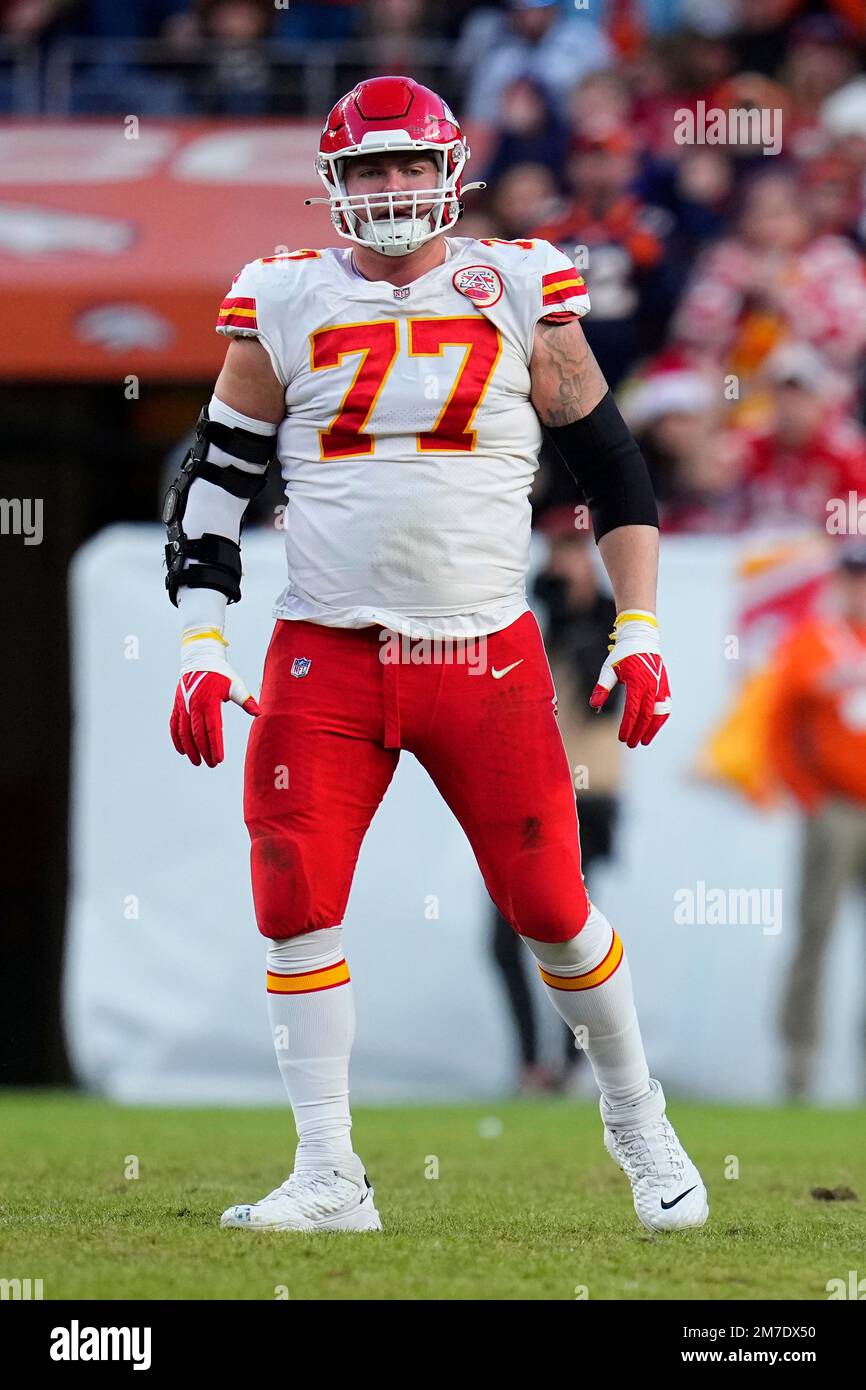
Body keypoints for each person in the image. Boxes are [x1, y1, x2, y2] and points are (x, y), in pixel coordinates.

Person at [163, 74, 707, 1236]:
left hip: (485, 653)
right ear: (336, 187)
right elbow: (211, 488)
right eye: (370, 169)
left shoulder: (513, 283)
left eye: (411, 165)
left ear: (450, 170)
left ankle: (636, 1118)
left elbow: (612, 469)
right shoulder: (282, 297)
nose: (393, 188)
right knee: (292, 891)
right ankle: (329, 1174)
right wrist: (199, 641)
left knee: (552, 906)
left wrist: (642, 626)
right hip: (327, 653)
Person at [767, 544, 866, 1099]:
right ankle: (798, 1063)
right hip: (834, 809)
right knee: (816, 935)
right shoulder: (813, 643)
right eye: (853, 577)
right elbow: (780, 724)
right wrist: (807, 794)